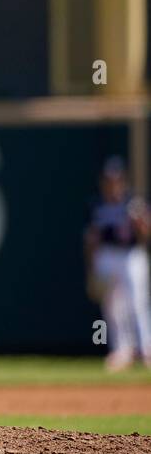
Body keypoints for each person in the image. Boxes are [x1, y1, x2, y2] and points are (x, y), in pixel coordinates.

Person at [85, 156, 151, 371]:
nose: (113, 183)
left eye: (116, 179)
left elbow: (145, 233)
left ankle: (146, 349)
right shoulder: (97, 205)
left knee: (137, 303)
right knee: (111, 307)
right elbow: (92, 238)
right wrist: (92, 266)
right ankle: (120, 351)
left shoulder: (134, 202)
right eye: (109, 179)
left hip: (131, 255)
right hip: (107, 255)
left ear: (123, 180)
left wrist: (140, 221)